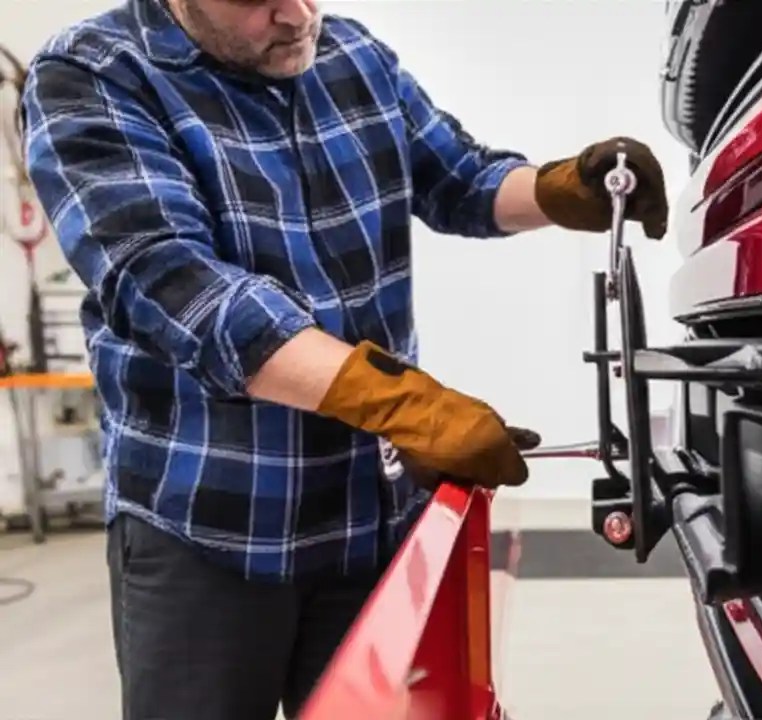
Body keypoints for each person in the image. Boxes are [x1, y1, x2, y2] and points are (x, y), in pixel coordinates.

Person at [19, 0, 669, 718]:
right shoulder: (93, 74)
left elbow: (461, 178)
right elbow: (179, 289)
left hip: (370, 516)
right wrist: (399, 403)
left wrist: (559, 189)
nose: (297, 17)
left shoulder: (353, 54)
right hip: (209, 523)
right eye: (258, 1)